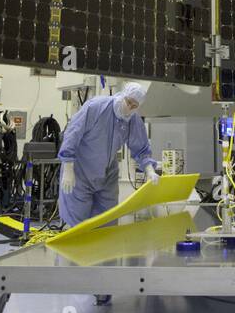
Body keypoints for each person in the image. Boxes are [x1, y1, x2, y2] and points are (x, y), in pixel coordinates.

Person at [58, 82, 159, 229]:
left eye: (135, 106)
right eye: (129, 102)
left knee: (107, 222)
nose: (130, 107)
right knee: (77, 226)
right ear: (123, 95)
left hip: (107, 174)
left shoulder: (132, 120)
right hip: (80, 172)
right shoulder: (96, 107)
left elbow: (141, 147)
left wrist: (150, 170)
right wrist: (68, 167)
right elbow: (73, 134)